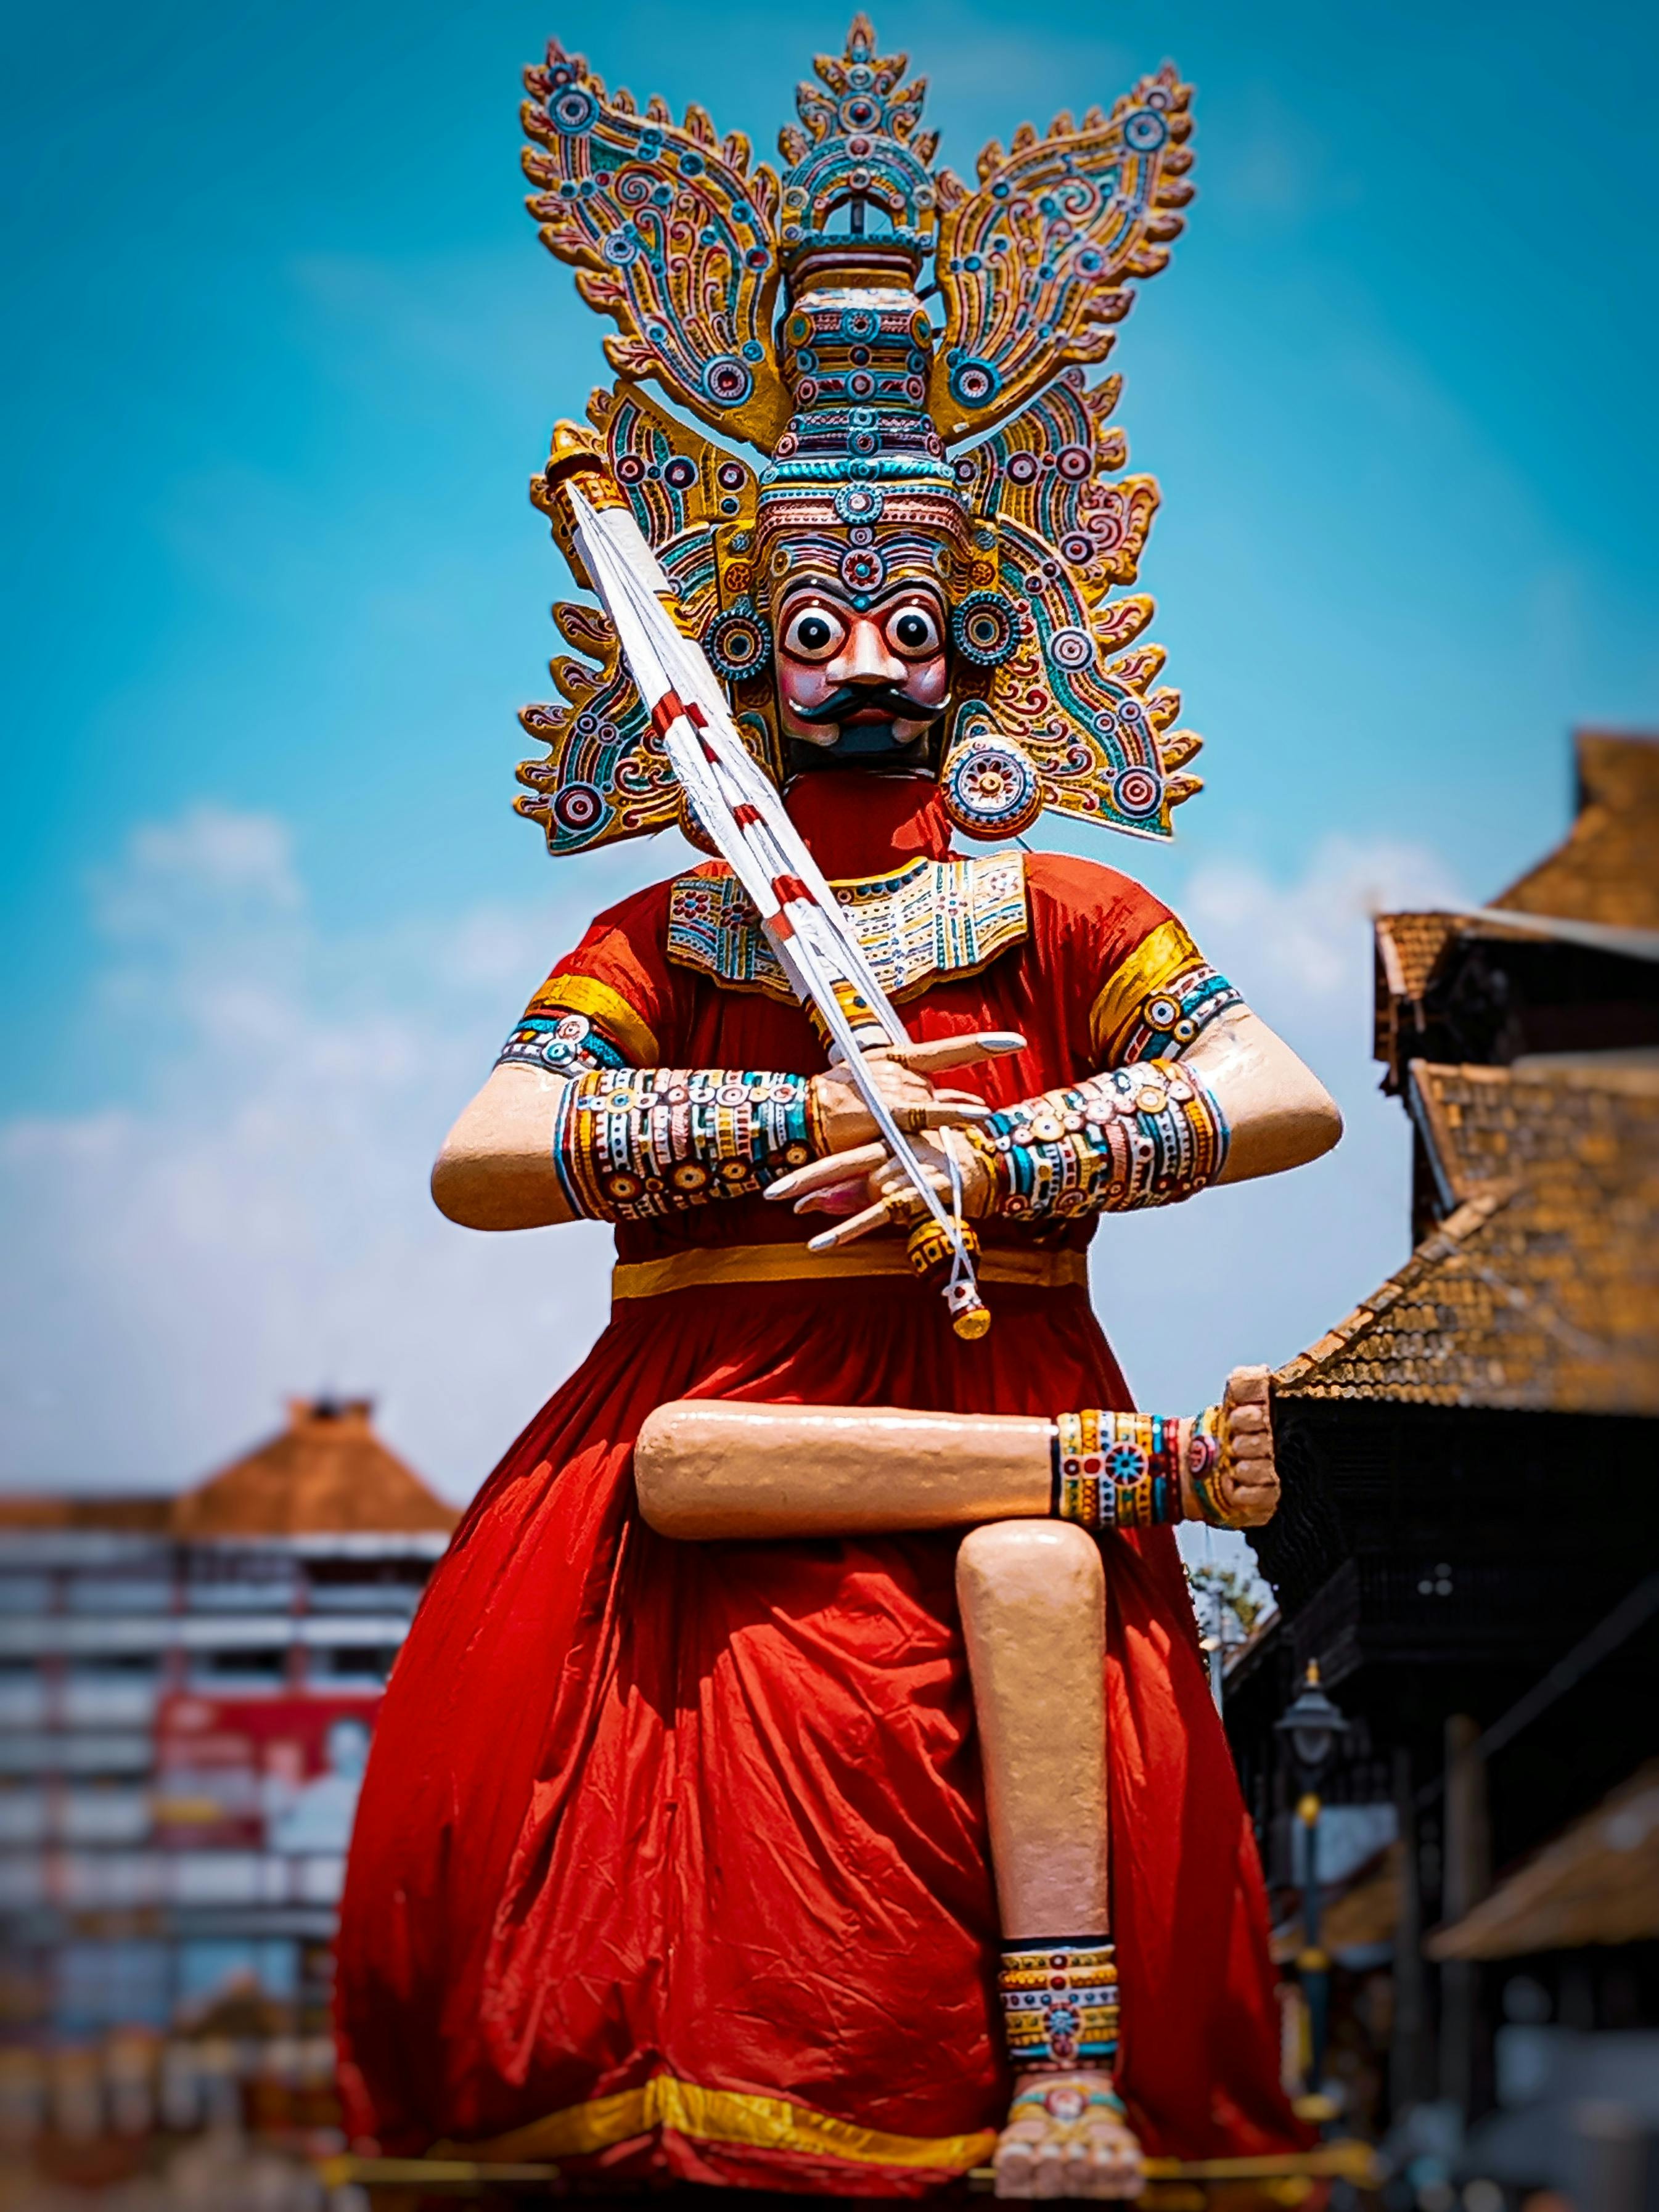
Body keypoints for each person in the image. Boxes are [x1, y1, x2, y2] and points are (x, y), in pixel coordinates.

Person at [335, 19, 1340, 2198]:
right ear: (739, 653)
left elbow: (1274, 1097)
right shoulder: (682, 925)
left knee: (1031, 1583)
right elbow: (482, 1159)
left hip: (988, 1381)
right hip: (699, 1431)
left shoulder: (1060, 905)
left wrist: (1004, 1153)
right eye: (807, 626)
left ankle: (1064, 2073)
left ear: (980, 631)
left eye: (901, 618)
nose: (861, 662)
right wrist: (723, 1133)